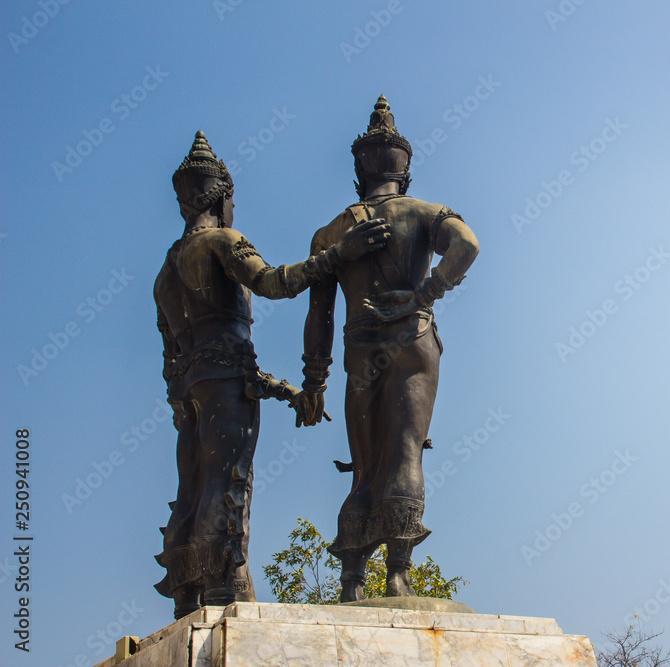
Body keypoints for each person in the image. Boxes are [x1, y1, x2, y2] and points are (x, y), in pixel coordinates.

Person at [153, 131, 387, 618]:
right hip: (222, 391)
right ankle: (221, 590)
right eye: (233, 199)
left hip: (192, 391)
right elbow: (274, 283)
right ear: (221, 198)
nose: (234, 209)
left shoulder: (166, 272)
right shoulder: (223, 242)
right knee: (226, 481)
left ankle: (187, 597)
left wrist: (288, 392)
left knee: (191, 487)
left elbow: (185, 357)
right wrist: (336, 256)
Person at [298, 96, 479, 602]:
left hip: (359, 346)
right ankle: (397, 574)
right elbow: (468, 246)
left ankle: (351, 581)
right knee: (404, 450)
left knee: (363, 465)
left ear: (359, 172)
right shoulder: (423, 212)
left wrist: (314, 381)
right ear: (405, 171)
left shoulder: (331, 233)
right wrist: (426, 292)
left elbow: (320, 315)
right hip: (412, 337)